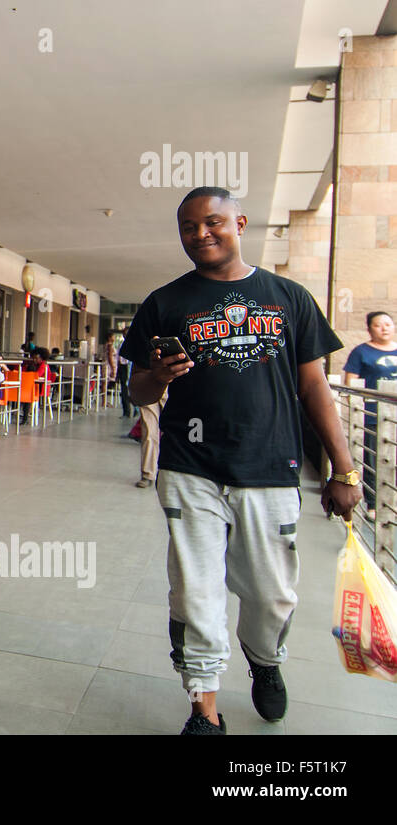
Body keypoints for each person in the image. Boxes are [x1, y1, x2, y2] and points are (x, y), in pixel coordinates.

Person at [121, 186, 360, 736]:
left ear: (241, 223)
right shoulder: (165, 302)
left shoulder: (290, 297)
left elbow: (314, 386)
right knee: (194, 588)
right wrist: (158, 376)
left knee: (270, 593)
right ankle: (204, 707)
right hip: (188, 467)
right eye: (187, 227)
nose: (200, 233)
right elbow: (137, 390)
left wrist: (344, 470)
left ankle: (265, 660)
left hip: (269, 467)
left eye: (212, 222)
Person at [343, 310, 397, 521]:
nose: (384, 328)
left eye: (388, 324)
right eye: (378, 325)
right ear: (369, 329)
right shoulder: (361, 352)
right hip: (374, 415)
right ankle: (374, 504)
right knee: (374, 459)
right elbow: (351, 383)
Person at [135, 389, 167, 488]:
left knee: (175, 429)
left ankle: (177, 471)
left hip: (175, 383)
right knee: (149, 431)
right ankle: (148, 473)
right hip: (149, 383)